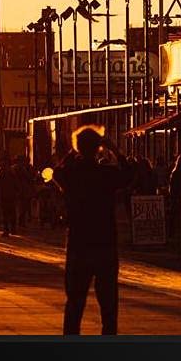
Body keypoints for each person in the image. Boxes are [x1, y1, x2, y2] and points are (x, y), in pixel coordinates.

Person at [53, 126, 134, 335]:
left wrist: (74, 151)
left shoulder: (71, 175)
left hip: (79, 244)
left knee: (75, 302)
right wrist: (113, 149)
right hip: (104, 243)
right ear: (99, 148)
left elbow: (58, 171)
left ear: (78, 147)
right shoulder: (106, 174)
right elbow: (128, 174)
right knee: (108, 304)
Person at [0, 155, 22, 236]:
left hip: (4, 195)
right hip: (11, 194)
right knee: (11, 212)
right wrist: (17, 191)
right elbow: (16, 182)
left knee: (5, 213)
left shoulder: (0, 171)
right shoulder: (11, 170)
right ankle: (13, 229)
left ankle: (6, 230)